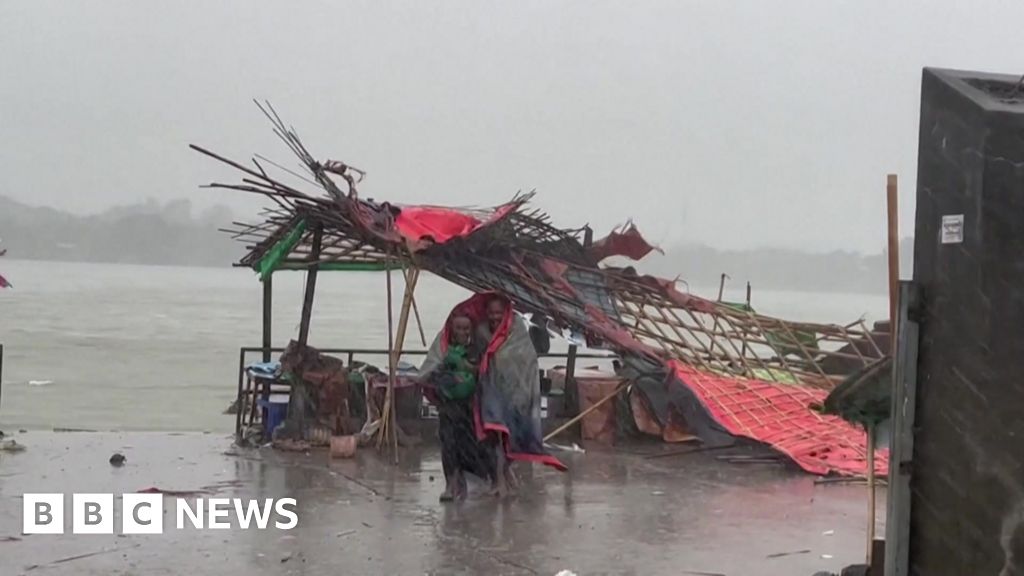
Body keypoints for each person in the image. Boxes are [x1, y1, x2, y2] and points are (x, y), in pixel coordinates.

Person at [474, 294, 566, 497]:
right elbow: (488, 353)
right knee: (494, 437)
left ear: (506, 311)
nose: (494, 317)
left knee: (514, 437)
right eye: (491, 312)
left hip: (518, 390)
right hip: (492, 389)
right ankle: (499, 480)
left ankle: (506, 475)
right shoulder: (481, 329)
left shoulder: (517, 327)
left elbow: (526, 358)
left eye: (498, 312)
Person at [420, 311, 496, 502]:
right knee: (448, 446)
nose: (462, 332)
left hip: (471, 408)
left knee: (470, 446)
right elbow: (431, 372)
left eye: (466, 328)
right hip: (448, 407)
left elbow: (484, 371)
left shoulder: (477, 349)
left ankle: (472, 482)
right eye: (458, 328)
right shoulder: (444, 349)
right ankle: (450, 485)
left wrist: (463, 366)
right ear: (452, 330)